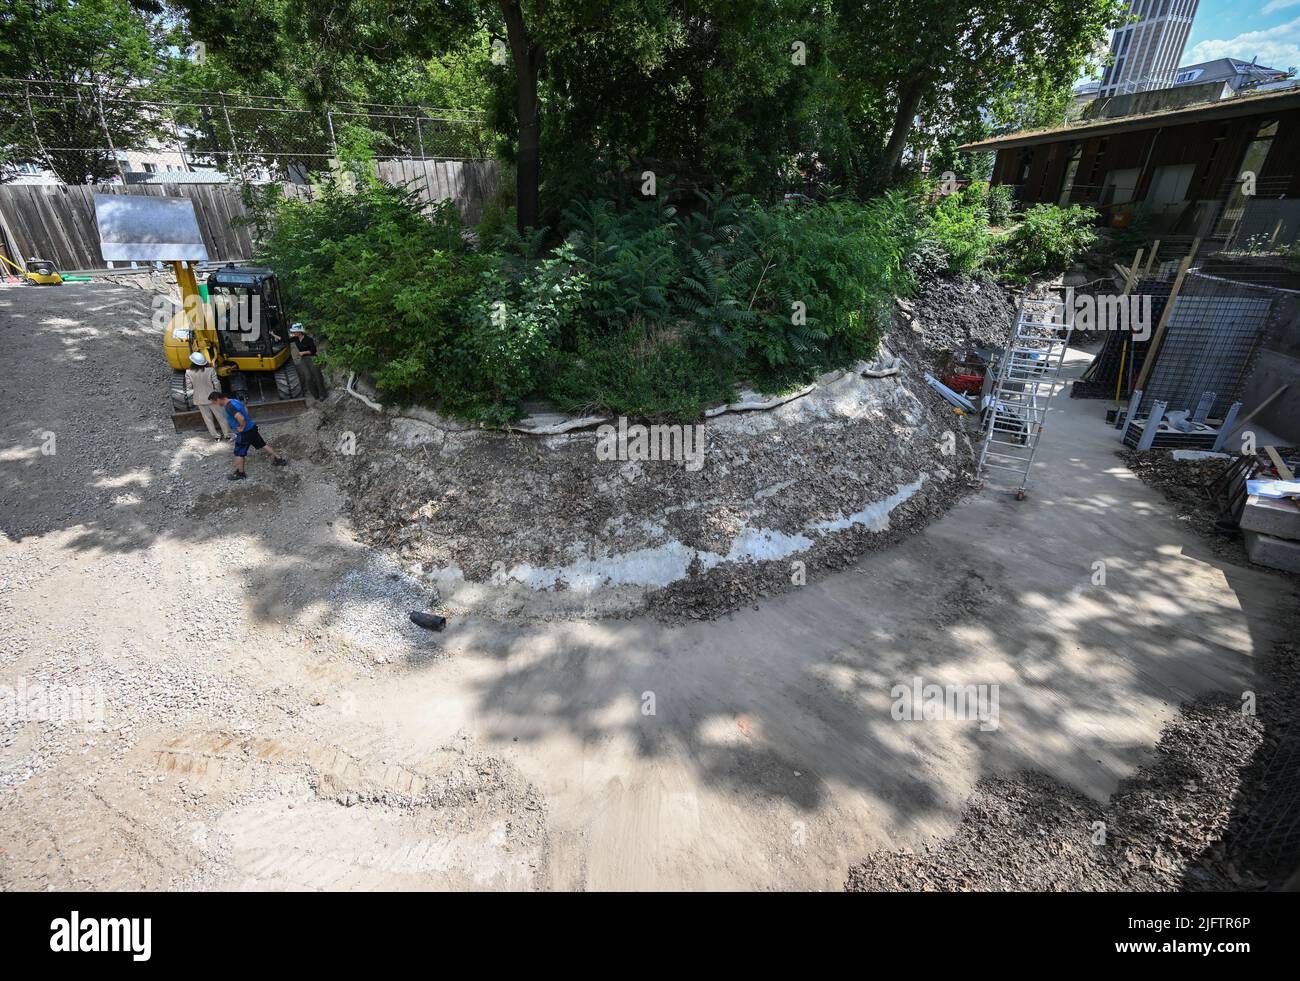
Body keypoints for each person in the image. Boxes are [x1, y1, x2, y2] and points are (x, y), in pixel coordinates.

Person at [208, 393, 288, 480]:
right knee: (262, 444)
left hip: (245, 433)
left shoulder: (229, 406)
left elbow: (241, 418)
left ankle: (240, 473)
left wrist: (242, 427)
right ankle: (279, 459)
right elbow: (244, 412)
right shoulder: (234, 401)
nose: (215, 404)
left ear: (218, 399)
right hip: (252, 428)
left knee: (239, 452)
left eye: (214, 402)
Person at [187, 352, 231, 441]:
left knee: (208, 419)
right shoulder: (210, 370)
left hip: (200, 400)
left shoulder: (188, 372)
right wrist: (218, 394)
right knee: (221, 417)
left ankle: (216, 437)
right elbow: (216, 383)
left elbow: (189, 387)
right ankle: (228, 435)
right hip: (213, 399)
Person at [289, 322, 327, 400]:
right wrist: (273, 335)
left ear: (299, 332)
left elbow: (313, 350)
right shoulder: (295, 338)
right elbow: (284, 340)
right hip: (303, 359)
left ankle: (322, 394)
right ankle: (315, 395)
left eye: (295, 332)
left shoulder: (308, 339)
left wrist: (303, 352)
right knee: (308, 377)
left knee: (317, 375)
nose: (293, 333)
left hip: (312, 357)